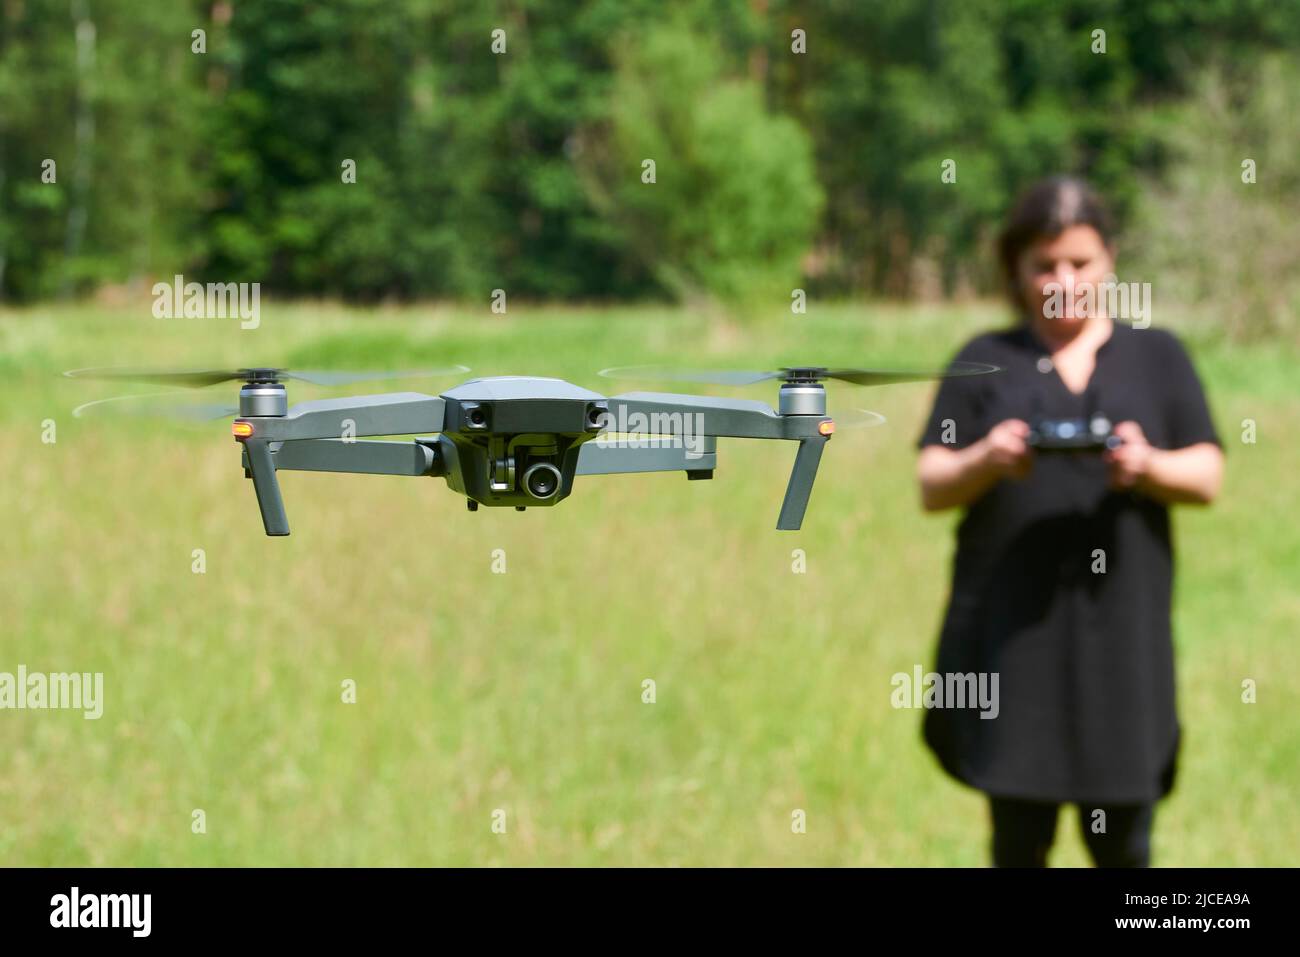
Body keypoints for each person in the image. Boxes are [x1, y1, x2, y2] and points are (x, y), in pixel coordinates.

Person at [915, 176, 1225, 867]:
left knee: (1125, 846)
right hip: (1013, 643)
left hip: (1122, 642)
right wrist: (988, 460)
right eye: (1043, 265)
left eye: (1080, 263)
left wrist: (1147, 465)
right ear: (1015, 271)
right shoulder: (982, 358)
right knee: (1017, 840)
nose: (1063, 281)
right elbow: (931, 485)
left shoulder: (1158, 356)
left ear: (1109, 260)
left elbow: (1207, 473)